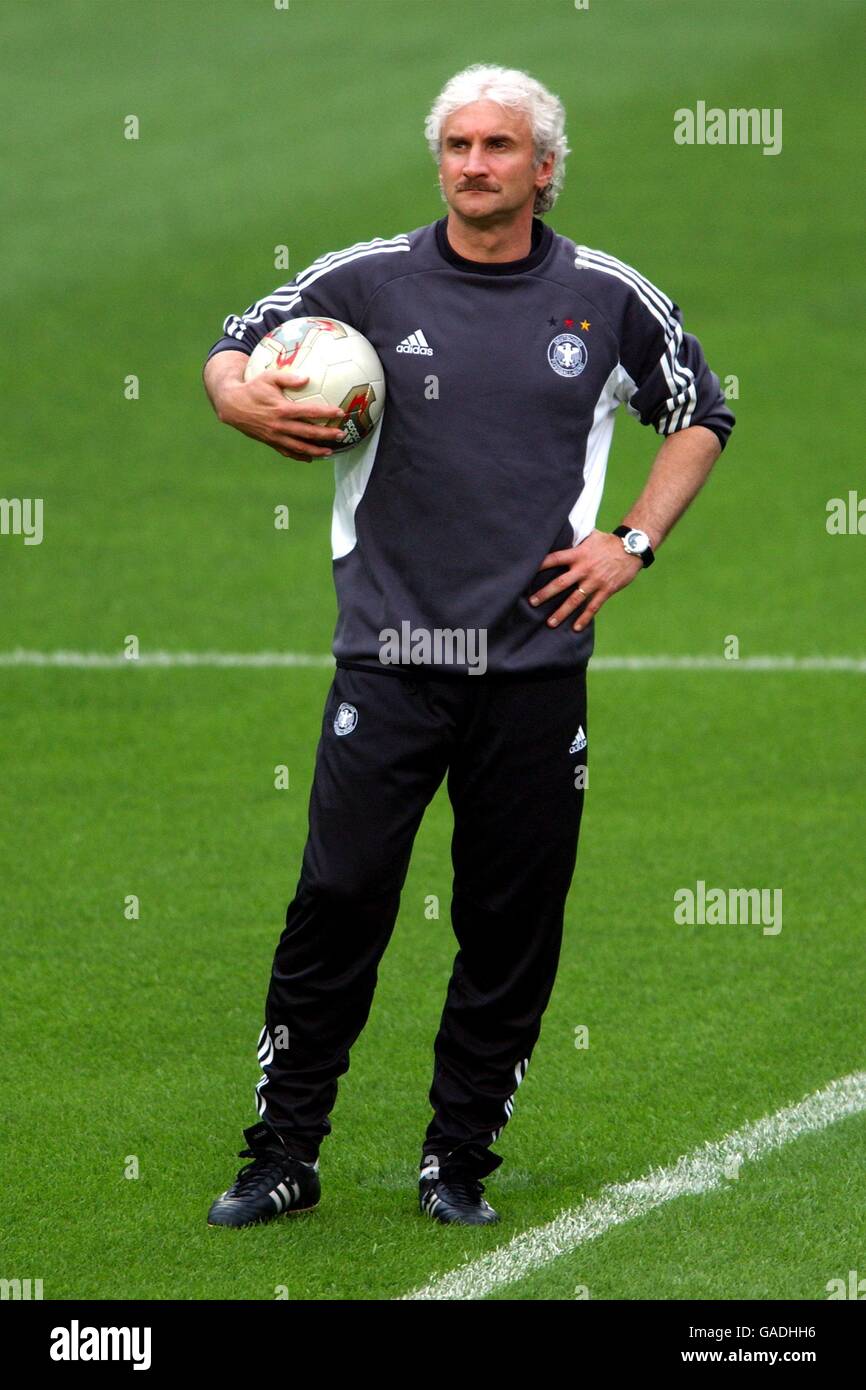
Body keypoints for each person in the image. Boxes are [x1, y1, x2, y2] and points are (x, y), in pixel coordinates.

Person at [202, 63, 735, 1229]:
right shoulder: (362, 283)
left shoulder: (606, 297)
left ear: (543, 169)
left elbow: (700, 410)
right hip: (387, 660)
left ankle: (458, 1157)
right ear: (437, 160)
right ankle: (281, 1152)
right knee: (336, 901)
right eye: (456, 145)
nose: (474, 164)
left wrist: (630, 541)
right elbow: (233, 344)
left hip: (534, 671)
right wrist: (240, 398)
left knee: (508, 921)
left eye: (499, 147)